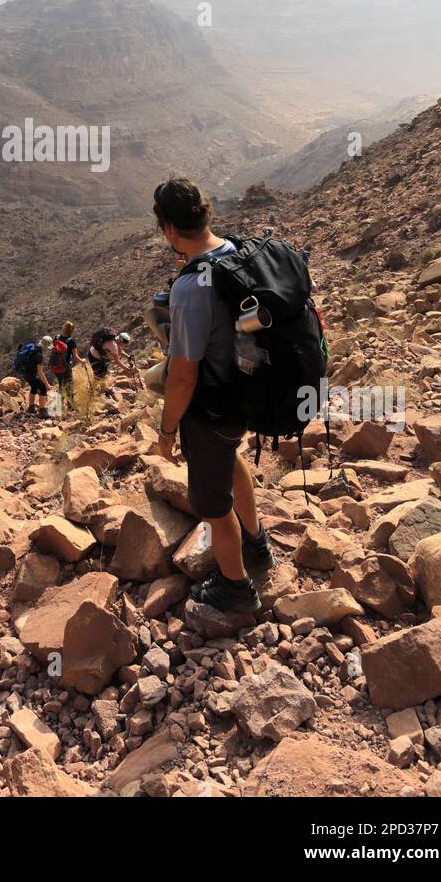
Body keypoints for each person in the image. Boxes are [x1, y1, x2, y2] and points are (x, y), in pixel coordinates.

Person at [153, 177, 273, 614]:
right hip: (247, 393)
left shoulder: (189, 287)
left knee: (213, 506)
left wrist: (167, 430)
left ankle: (235, 587)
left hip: (212, 407)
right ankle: (256, 542)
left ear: (169, 229)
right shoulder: (238, 251)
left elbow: (183, 375)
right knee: (231, 456)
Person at [13, 337, 51, 416]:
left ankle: (31, 407)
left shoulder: (33, 348)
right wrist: (47, 384)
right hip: (31, 375)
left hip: (26, 374)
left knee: (34, 387)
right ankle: (42, 411)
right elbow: (40, 373)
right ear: (45, 347)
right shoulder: (39, 355)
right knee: (43, 388)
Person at [51, 321, 80, 403]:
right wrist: (83, 361)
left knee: (61, 384)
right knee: (69, 385)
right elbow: (75, 357)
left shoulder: (56, 337)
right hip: (66, 366)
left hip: (56, 364)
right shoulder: (71, 341)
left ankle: (59, 406)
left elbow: (53, 349)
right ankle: (70, 405)